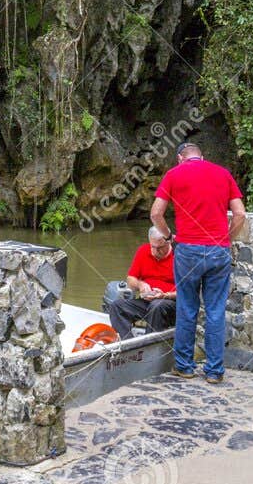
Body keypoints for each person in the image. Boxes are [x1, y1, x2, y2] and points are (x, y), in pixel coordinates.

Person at [150, 140, 245, 383]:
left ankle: (184, 366)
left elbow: (156, 213)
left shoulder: (174, 174)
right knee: (215, 311)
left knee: (187, 308)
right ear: (201, 156)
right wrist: (226, 238)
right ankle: (214, 371)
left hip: (188, 250)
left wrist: (169, 236)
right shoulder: (223, 174)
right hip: (218, 250)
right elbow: (240, 214)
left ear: (181, 158)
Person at [105, 225, 177, 339]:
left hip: (170, 304)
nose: (155, 251)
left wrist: (165, 295)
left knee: (156, 305)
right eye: (153, 246)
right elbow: (130, 279)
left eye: (160, 247)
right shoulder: (143, 251)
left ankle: (149, 344)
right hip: (147, 302)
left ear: (169, 242)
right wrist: (141, 285)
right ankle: (128, 344)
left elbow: (188, 292)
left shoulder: (180, 256)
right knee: (116, 306)